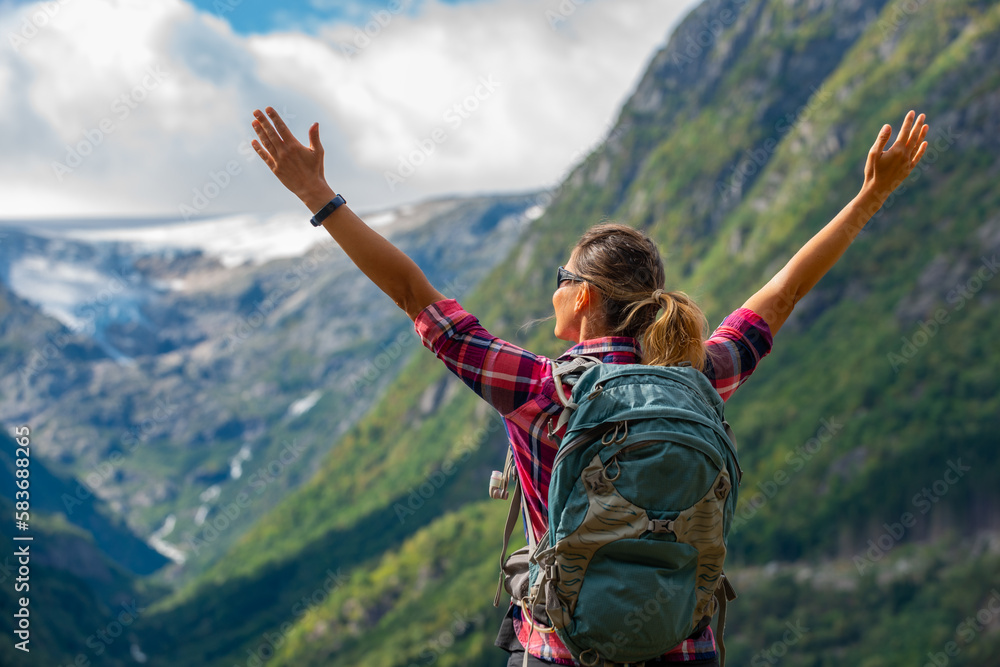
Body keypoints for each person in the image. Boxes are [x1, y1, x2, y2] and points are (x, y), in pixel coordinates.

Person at [249, 106, 929, 666]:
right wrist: (871, 196)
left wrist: (319, 197)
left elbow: (412, 294)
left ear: (582, 298)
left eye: (560, 277)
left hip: (562, 651)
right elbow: (781, 296)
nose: (555, 290)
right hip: (683, 647)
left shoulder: (541, 389)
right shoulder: (697, 379)